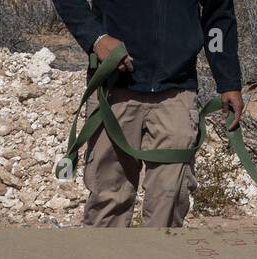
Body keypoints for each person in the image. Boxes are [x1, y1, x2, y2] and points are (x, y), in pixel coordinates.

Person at [53, 0, 245, 226]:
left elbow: (218, 14)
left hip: (177, 90)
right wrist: (96, 38)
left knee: (170, 197)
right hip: (114, 88)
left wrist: (228, 79)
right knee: (108, 198)